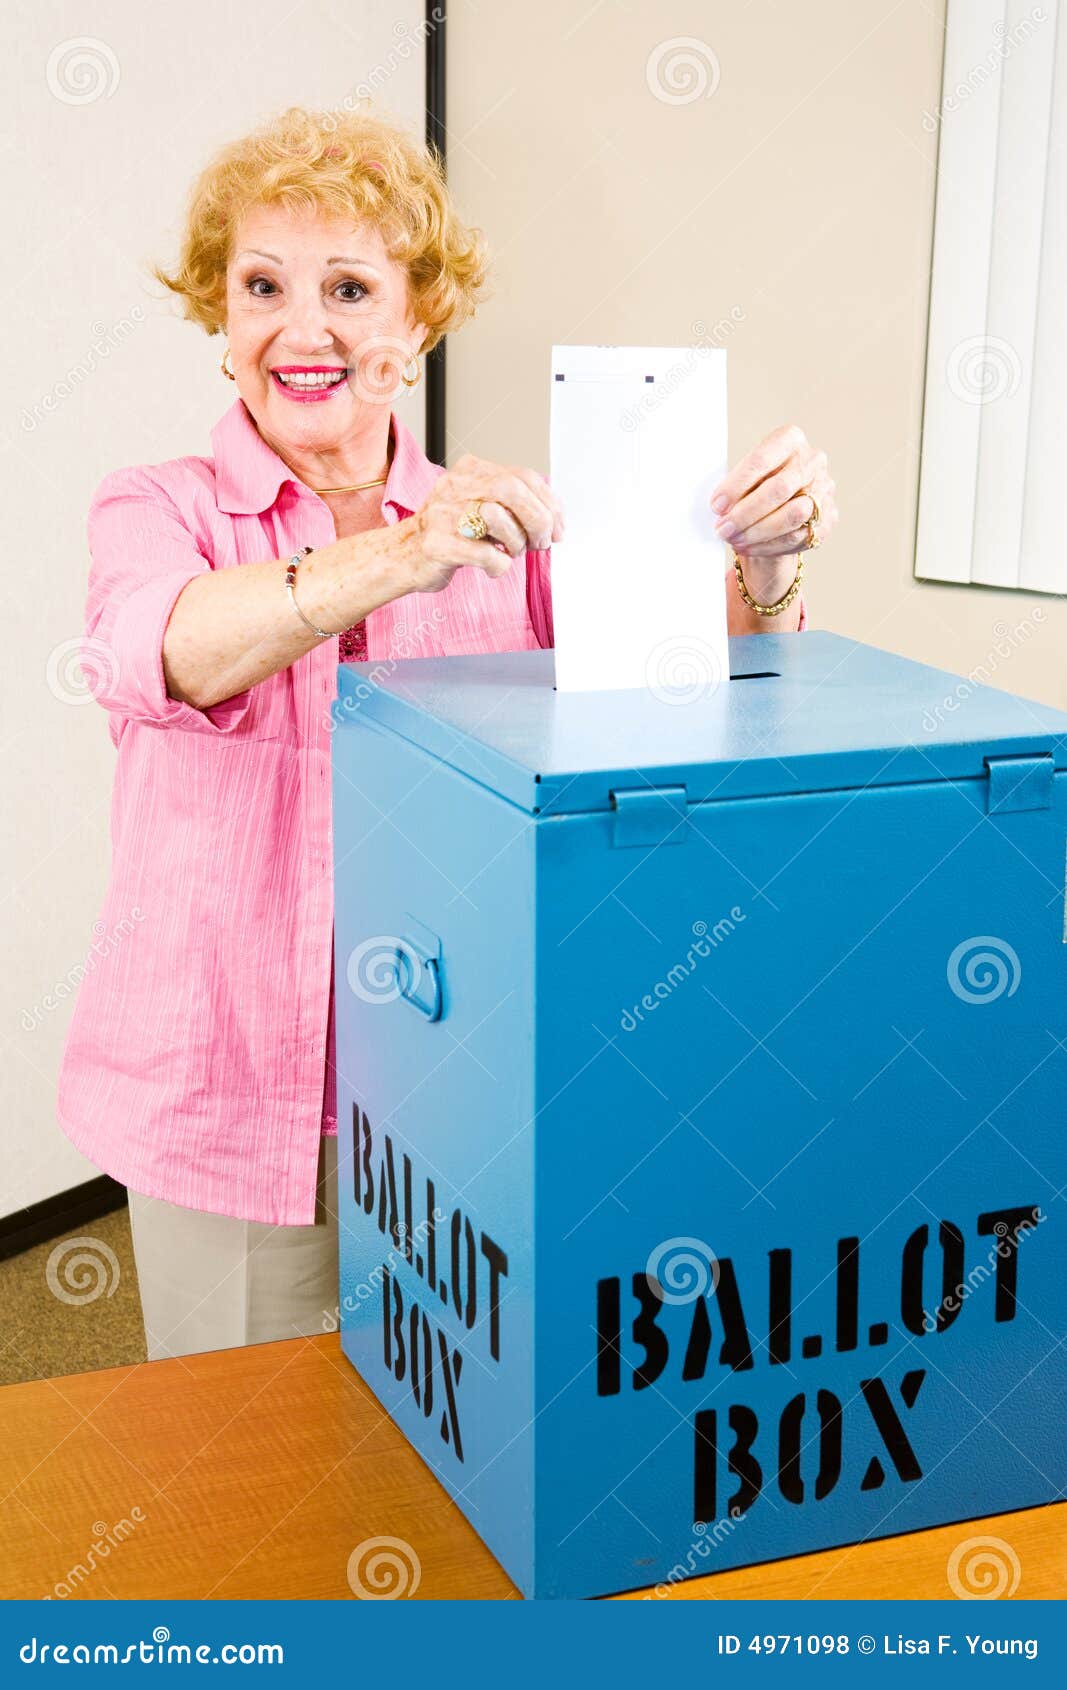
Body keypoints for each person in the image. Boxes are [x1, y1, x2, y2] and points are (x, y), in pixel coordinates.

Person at [57, 105, 838, 1361]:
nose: (300, 330)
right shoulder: (155, 507)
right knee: (232, 1465)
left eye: (350, 287)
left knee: (436, 1453)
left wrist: (767, 565)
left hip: (457, 1100)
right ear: (221, 317)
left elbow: (699, 708)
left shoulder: (513, 531)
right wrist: (400, 554)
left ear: (416, 321)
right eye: (261, 285)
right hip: (227, 1085)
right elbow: (157, 650)